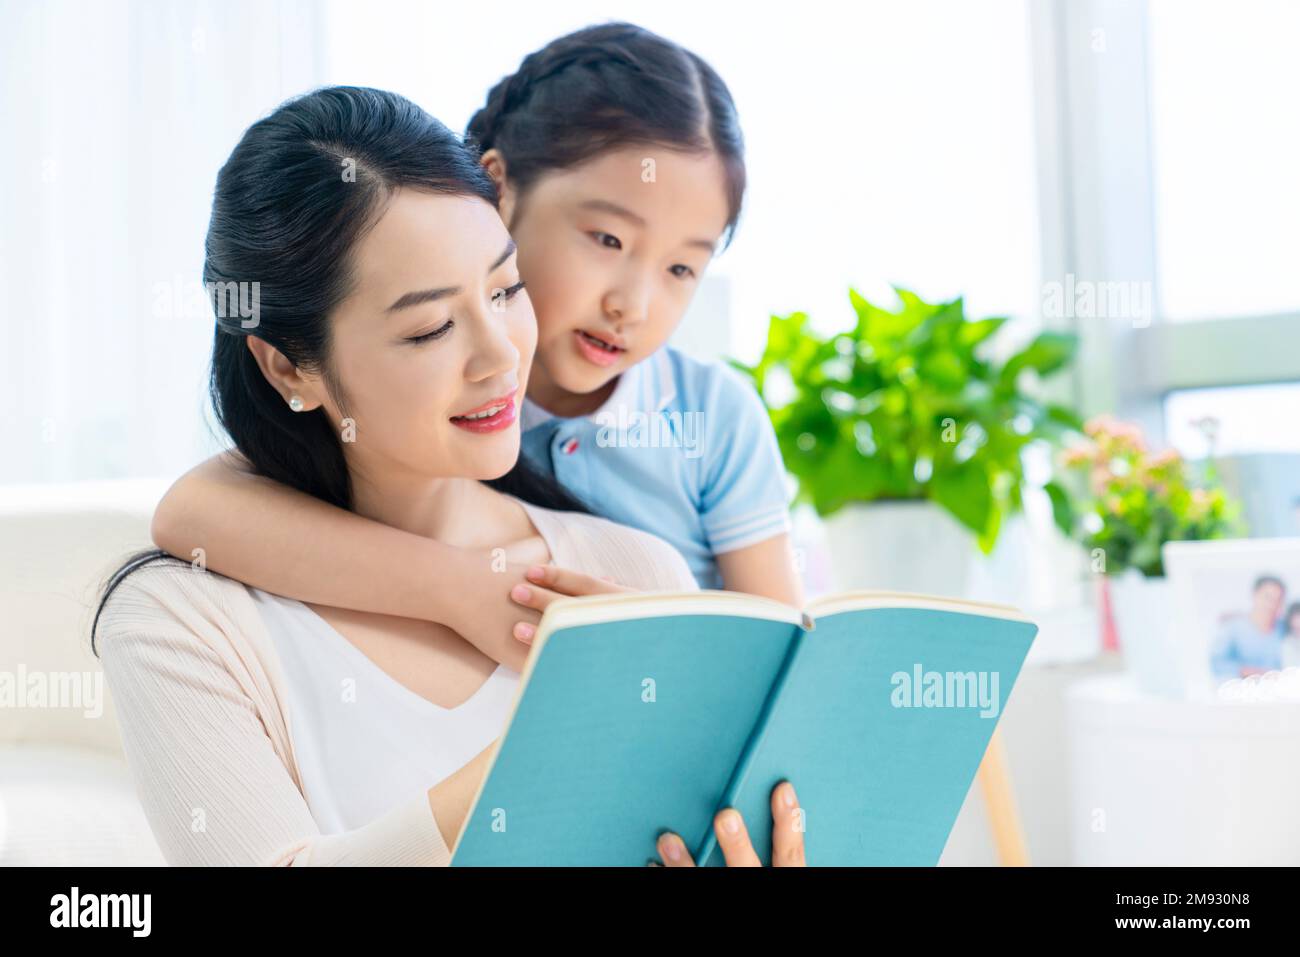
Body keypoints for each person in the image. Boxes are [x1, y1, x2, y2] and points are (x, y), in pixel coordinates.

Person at [94, 86, 805, 867]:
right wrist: (559, 733)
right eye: (431, 326)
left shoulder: (633, 574)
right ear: (288, 365)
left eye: (506, 289)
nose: (502, 356)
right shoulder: (185, 623)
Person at [146, 23, 801, 680]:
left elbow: (777, 659)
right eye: (607, 239)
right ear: (497, 189)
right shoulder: (424, 410)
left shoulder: (711, 417)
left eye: (682, 269)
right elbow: (193, 513)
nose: (633, 303)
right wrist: (459, 587)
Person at [1210, 575, 1287, 679]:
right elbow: (1218, 663)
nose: (1272, 604)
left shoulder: (1284, 628)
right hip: (1242, 690)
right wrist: (1254, 673)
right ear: (1254, 595)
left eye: (1278, 599)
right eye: (1267, 597)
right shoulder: (1233, 627)